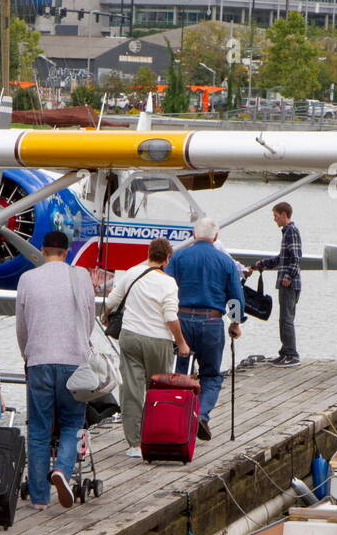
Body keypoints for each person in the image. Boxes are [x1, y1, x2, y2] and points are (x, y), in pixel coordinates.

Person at [15, 230, 94, 509]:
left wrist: (27, 355)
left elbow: (22, 327)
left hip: (39, 360)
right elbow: (89, 320)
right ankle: (62, 468)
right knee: (73, 423)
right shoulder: (81, 276)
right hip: (74, 361)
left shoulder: (27, 279)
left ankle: (38, 498)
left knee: (38, 429)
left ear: (42, 249)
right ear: (67, 251)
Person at [101, 238, 189, 457]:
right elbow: (170, 316)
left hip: (130, 337)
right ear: (167, 259)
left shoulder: (132, 272)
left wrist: (105, 316)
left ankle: (135, 444)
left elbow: (111, 301)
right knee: (158, 391)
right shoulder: (168, 282)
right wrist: (181, 342)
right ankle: (156, 437)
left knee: (131, 390)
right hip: (158, 341)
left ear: (149, 253)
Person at [164, 218, 243, 442]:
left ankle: (177, 419)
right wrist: (235, 324)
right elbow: (235, 297)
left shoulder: (179, 257)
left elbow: (167, 286)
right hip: (211, 321)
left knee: (181, 374)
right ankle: (201, 414)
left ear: (193, 234)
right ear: (216, 237)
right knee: (211, 375)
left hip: (182, 320)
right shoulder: (225, 261)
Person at [245, 201, 302, 367]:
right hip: (286, 283)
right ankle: (285, 352)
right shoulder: (287, 232)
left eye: (276, 216)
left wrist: (289, 277)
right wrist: (261, 264)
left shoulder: (291, 231)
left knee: (286, 319)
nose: (274, 219)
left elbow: (296, 258)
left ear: (284, 215)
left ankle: (291, 354)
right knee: (283, 318)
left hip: (289, 284)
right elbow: (281, 258)